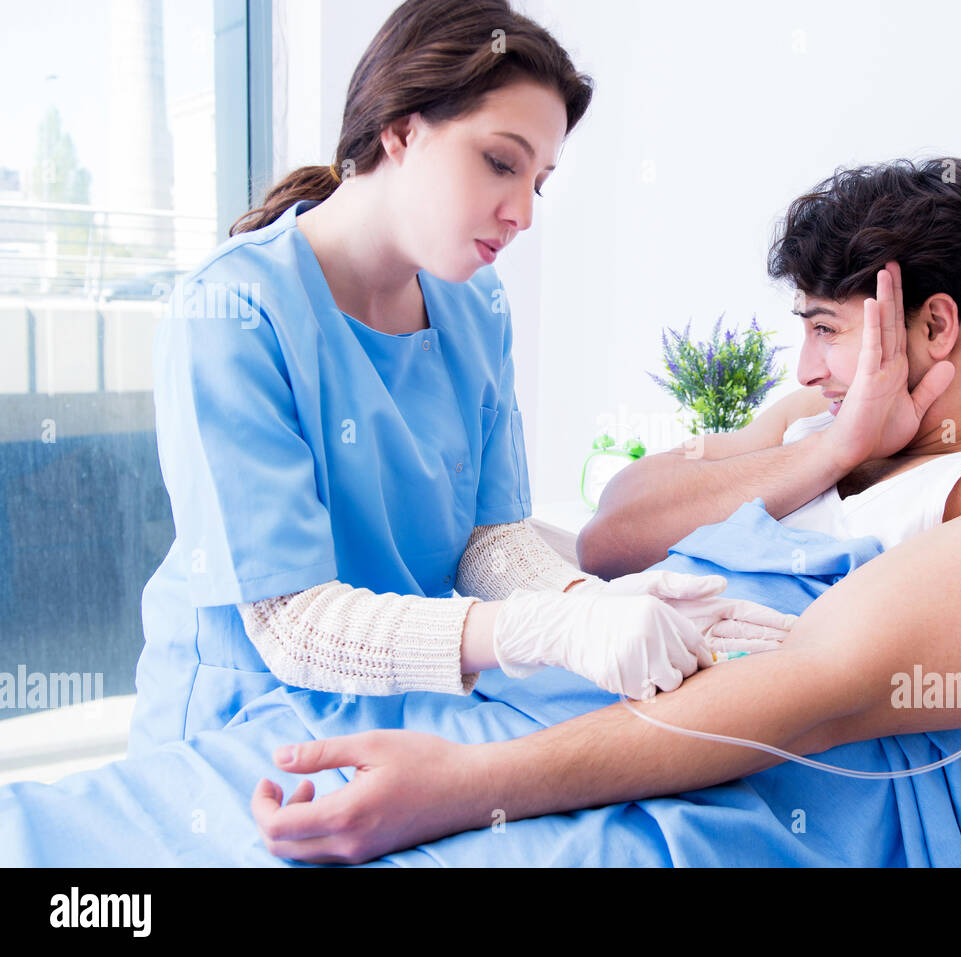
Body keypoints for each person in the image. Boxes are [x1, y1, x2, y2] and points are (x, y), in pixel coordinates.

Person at [250, 158, 961, 864]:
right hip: (586, 710)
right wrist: (829, 448)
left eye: (824, 329)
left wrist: (466, 788)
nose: (807, 367)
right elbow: (618, 527)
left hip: (738, 802)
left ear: (934, 327)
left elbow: (825, 687)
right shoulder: (830, 427)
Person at [128, 0, 794, 759]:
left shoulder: (474, 303)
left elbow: (489, 539)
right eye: (500, 162)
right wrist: (541, 630)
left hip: (400, 702)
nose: (522, 215)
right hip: (247, 722)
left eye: (538, 181)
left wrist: (588, 600)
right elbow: (292, 621)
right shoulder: (231, 312)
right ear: (401, 129)